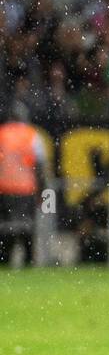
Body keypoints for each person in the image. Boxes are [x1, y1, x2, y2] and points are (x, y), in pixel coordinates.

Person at [0, 101, 48, 267]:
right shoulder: (32, 135)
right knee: (28, 228)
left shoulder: (1, 133)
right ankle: (28, 262)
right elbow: (40, 165)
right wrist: (43, 191)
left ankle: (5, 261)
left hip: (4, 189)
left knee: (5, 229)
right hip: (26, 189)